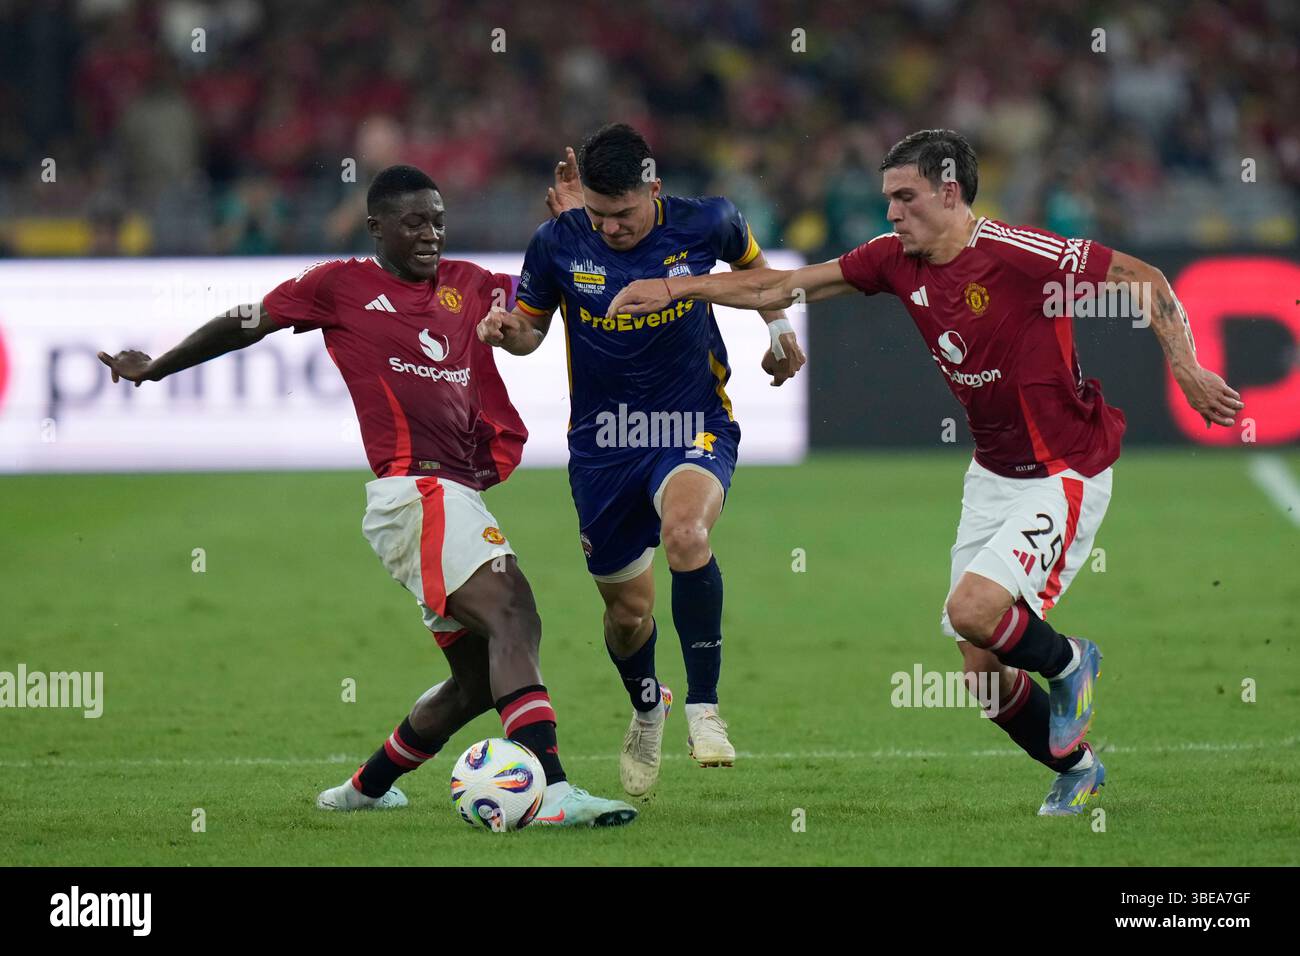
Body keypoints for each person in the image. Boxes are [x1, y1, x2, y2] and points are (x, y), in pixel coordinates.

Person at [605, 129, 1244, 815]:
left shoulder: (1021, 256)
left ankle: (1069, 664)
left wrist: (1185, 364)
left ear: (949, 191)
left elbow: (1144, 280)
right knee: (982, 673)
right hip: (993, 473)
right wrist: (676, 287)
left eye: (904, 197)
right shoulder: (891, 260)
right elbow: (781, 283)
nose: (890, 213)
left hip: (1065, 470)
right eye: (887, 198)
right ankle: (1078, 766)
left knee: (974, 611)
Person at [98, 164, 638, 828]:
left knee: (474, 682)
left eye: (438, 220)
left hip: (454, 494)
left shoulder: (470, 285)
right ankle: (551, 791)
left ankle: (366, 787)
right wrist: (156, 367)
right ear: (376, 225)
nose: (431, 233)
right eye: (414, 221)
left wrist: (578, 228)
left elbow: (544, 300)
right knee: (513, 615)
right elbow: (248, 322)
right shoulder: (339, 285)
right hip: (414, 491)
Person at [478, 124, 807, 797]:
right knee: (628, 615)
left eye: (623, 214)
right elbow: (532, 330)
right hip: (603, 446)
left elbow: (760, 274)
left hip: (693, 423)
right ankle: (647, 706)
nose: (610, 228)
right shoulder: (558, 243)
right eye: (597, 215)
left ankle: (704, 709)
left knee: (687, 534)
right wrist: (507, 332)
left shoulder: (708, 221)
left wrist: (777, 328)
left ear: (654, 190)